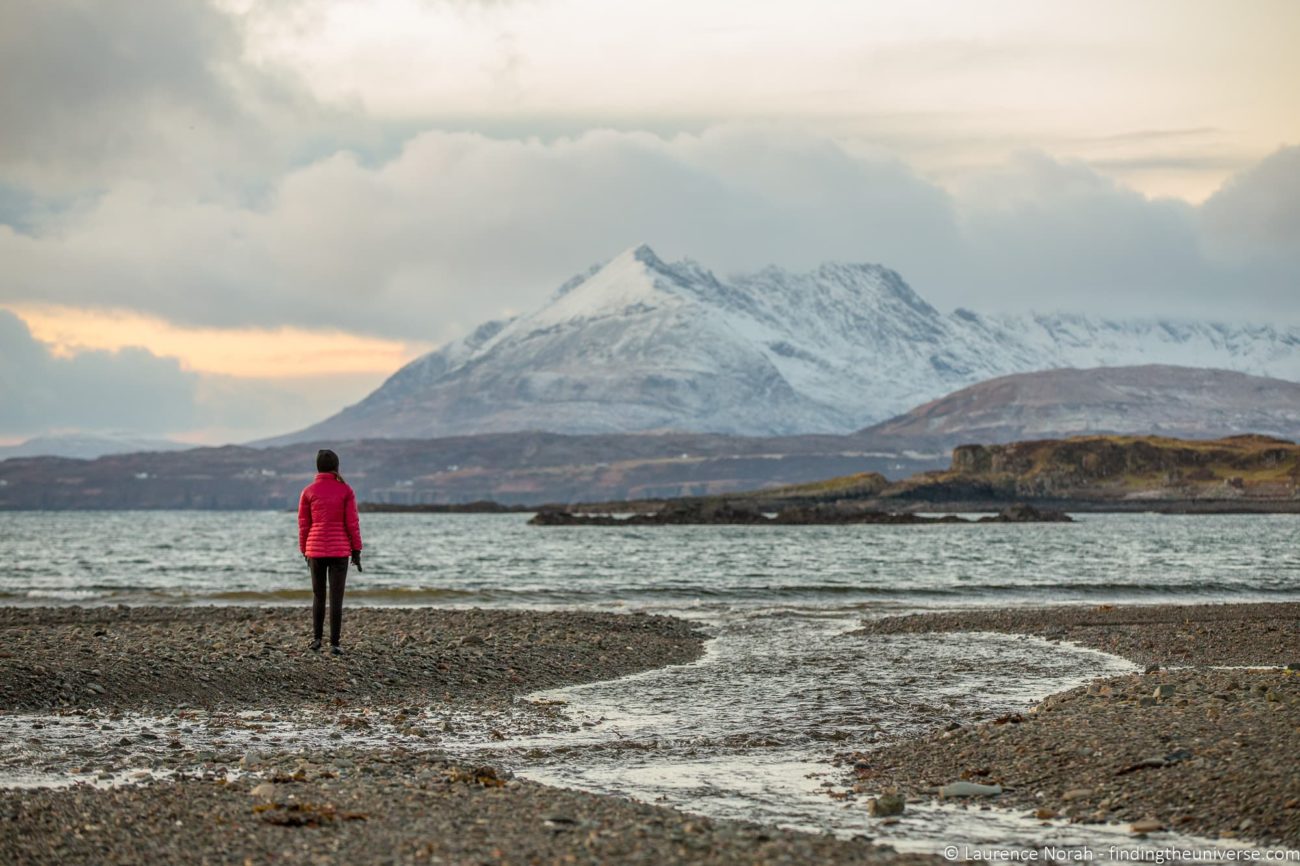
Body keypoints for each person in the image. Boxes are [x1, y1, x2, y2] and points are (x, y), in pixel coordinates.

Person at [297, 448, 363, 655]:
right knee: (336, 598)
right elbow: (352, 523)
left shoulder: (308, 491)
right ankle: (335, 643)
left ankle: (316, 639)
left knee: (318, 595)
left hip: (315, 550)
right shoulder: (345, 490)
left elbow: (303, 525)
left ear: (318, 467)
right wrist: (357, 550)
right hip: (340, 551)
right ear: (336, 467)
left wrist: (304, 549)